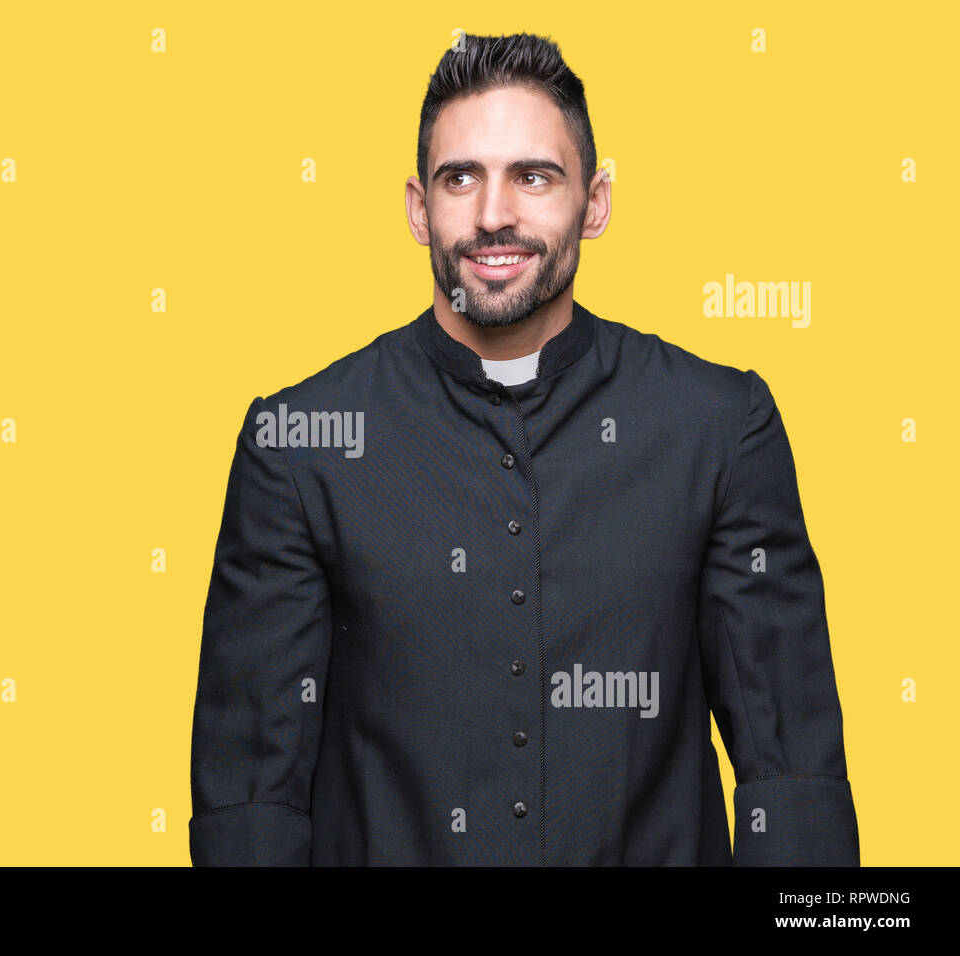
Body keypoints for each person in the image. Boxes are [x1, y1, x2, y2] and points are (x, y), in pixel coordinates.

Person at [188, 32, 859, 866]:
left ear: (597, 200)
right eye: (459, 177)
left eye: (533, 176)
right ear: (416, 207)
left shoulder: (721, 425)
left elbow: (788, 768)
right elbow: (252, 799)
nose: (493, 213)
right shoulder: (298, 448)